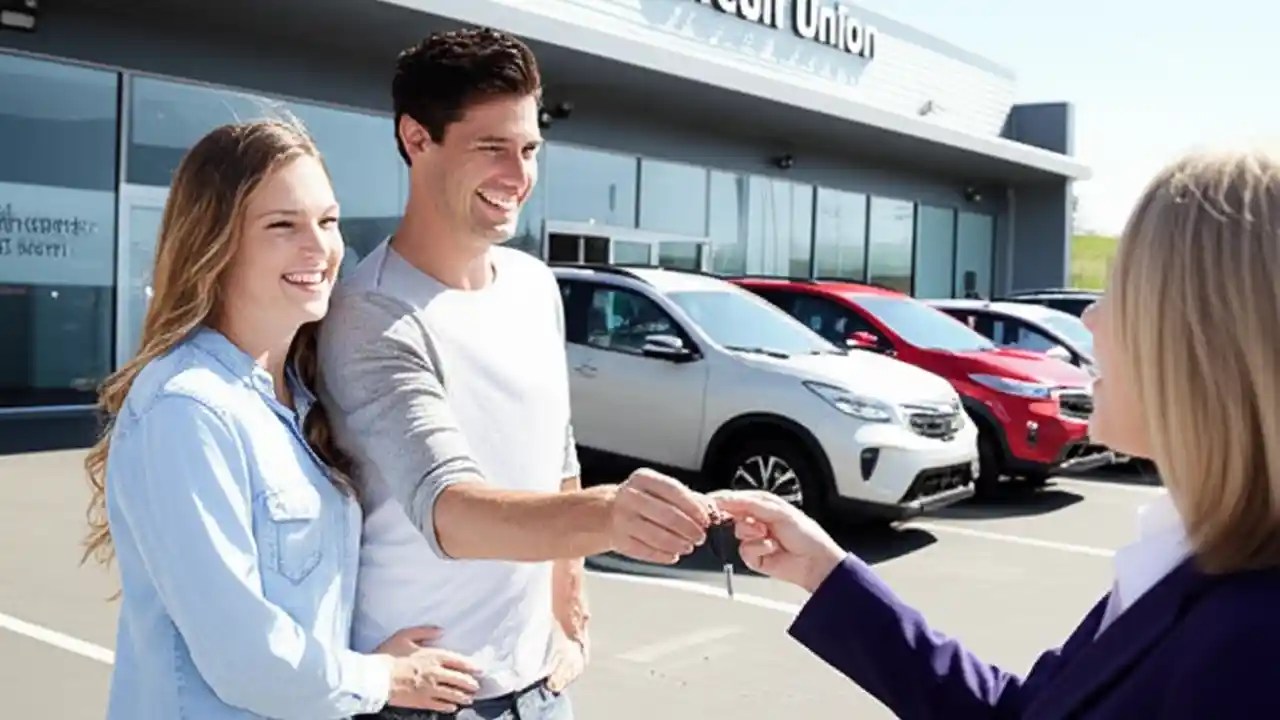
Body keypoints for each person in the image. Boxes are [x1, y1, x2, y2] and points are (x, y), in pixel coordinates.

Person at [715, 145, 1280, 719]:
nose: (1090, 319)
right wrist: (825, 573)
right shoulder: (1184, 554)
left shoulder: (1254, 646)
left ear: (1211, 345)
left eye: (1126, 292)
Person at [316, 28, 714, 719]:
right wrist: (611, 517)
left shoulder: (534, 286)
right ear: (417, 139)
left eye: (528, 148)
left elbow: (553, 454)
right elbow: (451, 511)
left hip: (542, 690)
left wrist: (571, 603)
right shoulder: (371, 315)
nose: (518, 175)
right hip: (423, 701)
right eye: (491, 147)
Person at [82, 119, 487, 719]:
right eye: (283, 225)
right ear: (215, 244)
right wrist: (383, 677)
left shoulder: (299, 397)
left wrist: (359, 660)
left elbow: (293, 611)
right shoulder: (187, 409)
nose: (320, 248)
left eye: (327, 221)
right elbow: (244, 657)